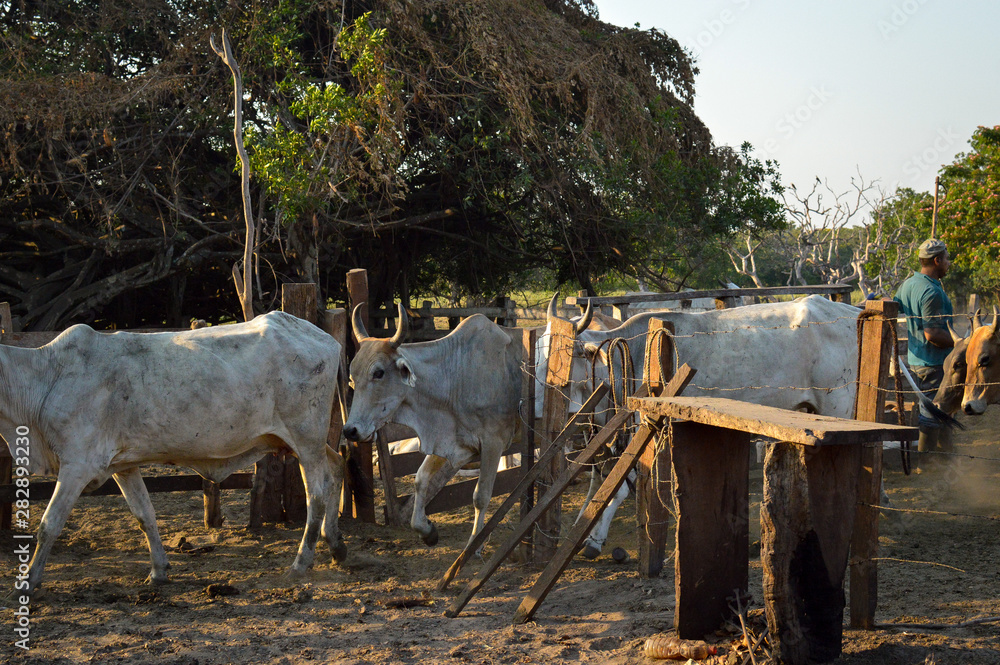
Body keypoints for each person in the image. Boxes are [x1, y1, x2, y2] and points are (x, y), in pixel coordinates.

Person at [893, 238, 955, 471]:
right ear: (937, 260)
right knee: (933, 409)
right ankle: (926, 464)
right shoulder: (931, 292)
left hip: (916, 358)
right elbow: (932, 333)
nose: (948, 263)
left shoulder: (910, 284)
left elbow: (896, 305)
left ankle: (948, 458)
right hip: (934, 360)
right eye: (946, 259)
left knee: (940, 407)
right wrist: (961, 343)